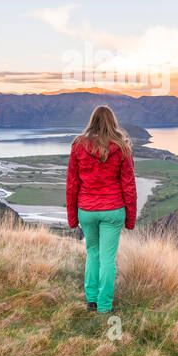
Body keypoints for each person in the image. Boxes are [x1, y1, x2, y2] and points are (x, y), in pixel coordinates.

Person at [66, 105, 137, 314]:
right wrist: (130, 219)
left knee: (92, 253)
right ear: (113, 123)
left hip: (86, 210)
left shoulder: (78, 146)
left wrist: (72, 217)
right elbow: (129, 186)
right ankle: (104, 306)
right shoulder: (122, 148)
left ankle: (91, 300)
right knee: (107, 258)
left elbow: (72, 184)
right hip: (113, 210)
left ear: (92, 122)